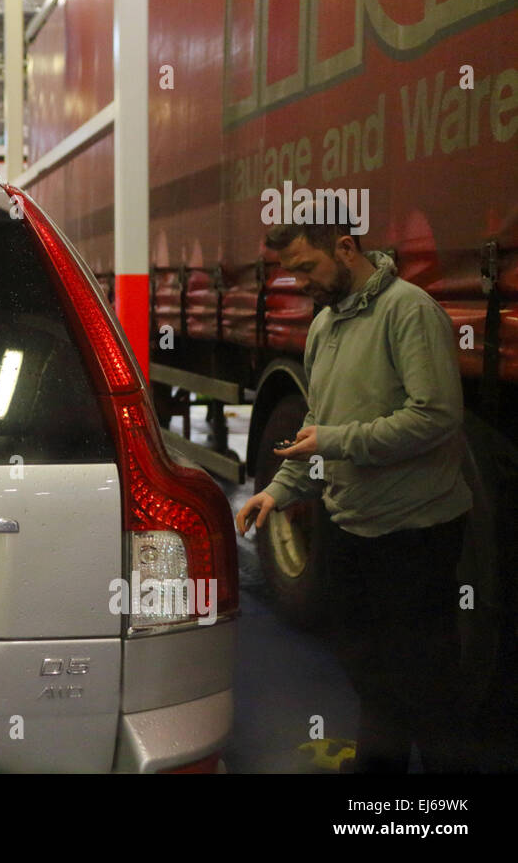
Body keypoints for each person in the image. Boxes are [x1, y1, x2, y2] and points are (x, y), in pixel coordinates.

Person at [236, 210, 474, 773]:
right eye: (291, 272)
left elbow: (436, 417)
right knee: (369, 672)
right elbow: (320, 419)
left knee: (424, 681)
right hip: (352, 525)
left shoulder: (408, 311)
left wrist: (338, 440)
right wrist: (280, 489)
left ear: (345, 248)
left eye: (306, 267)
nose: (300, 283)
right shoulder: (325, 326)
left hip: (415, 531)